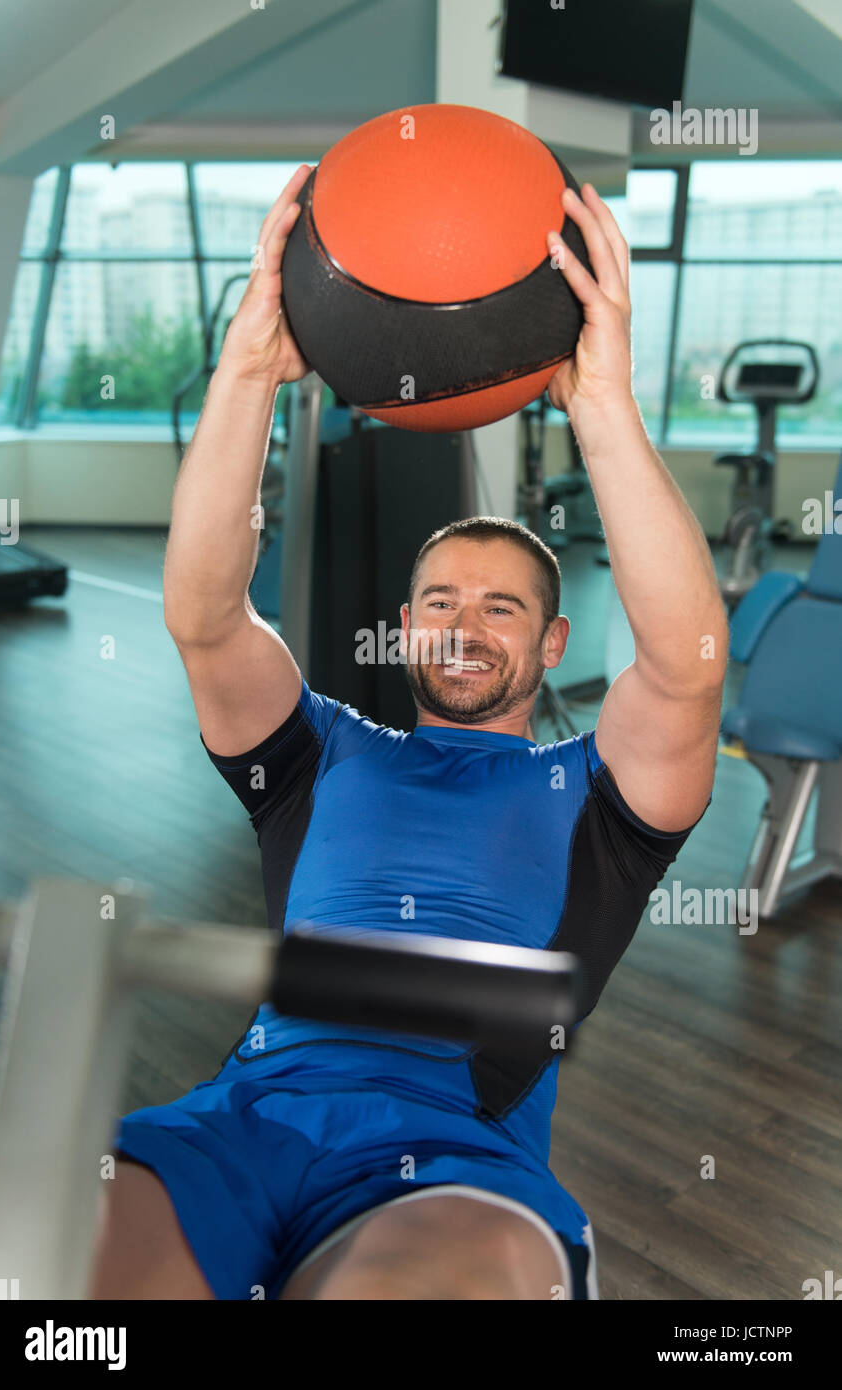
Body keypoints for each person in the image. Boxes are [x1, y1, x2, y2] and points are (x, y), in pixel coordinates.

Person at [89, 165, 728, 1300]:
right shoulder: (318, 755)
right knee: (34, 1241)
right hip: (245, 1118)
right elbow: (205, 616)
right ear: (403, 626)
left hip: (451, 1153)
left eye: (501, 608)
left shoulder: (600, 800)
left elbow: (687, 666)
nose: (464, 627)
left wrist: (602, 407)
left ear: (553, 641)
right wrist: (249, 370)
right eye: (440, 601)